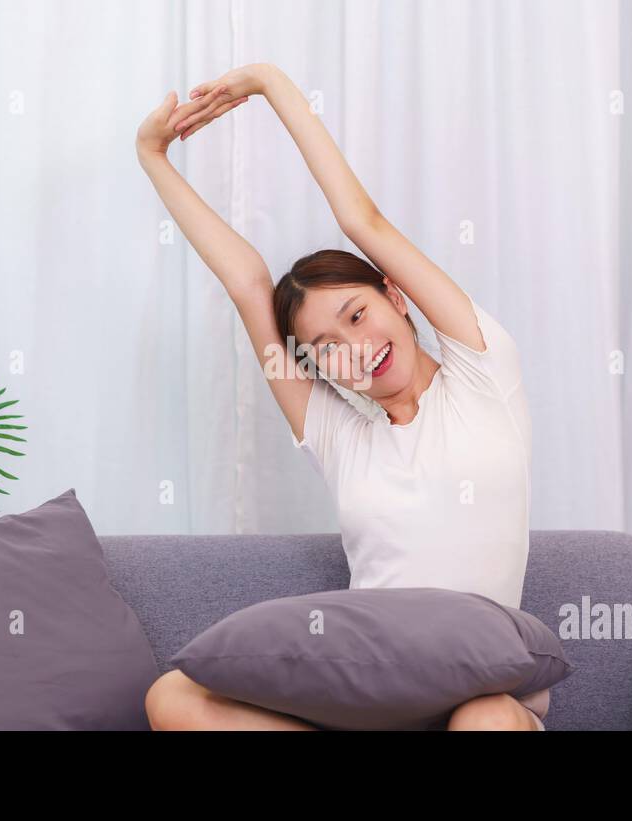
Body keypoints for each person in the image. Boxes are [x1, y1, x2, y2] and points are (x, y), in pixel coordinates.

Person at [134, 63, 546, 731]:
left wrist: (270, 83)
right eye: (325, 346)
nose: (353, 347)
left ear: (396, 294)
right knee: (171, 698)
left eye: (356, 315)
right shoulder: (340, 436)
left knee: (485, 718)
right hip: (368, 705)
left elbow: (364, 221)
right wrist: (152, 155)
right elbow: (247, 282)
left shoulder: (483, 372)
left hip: (481, 704)